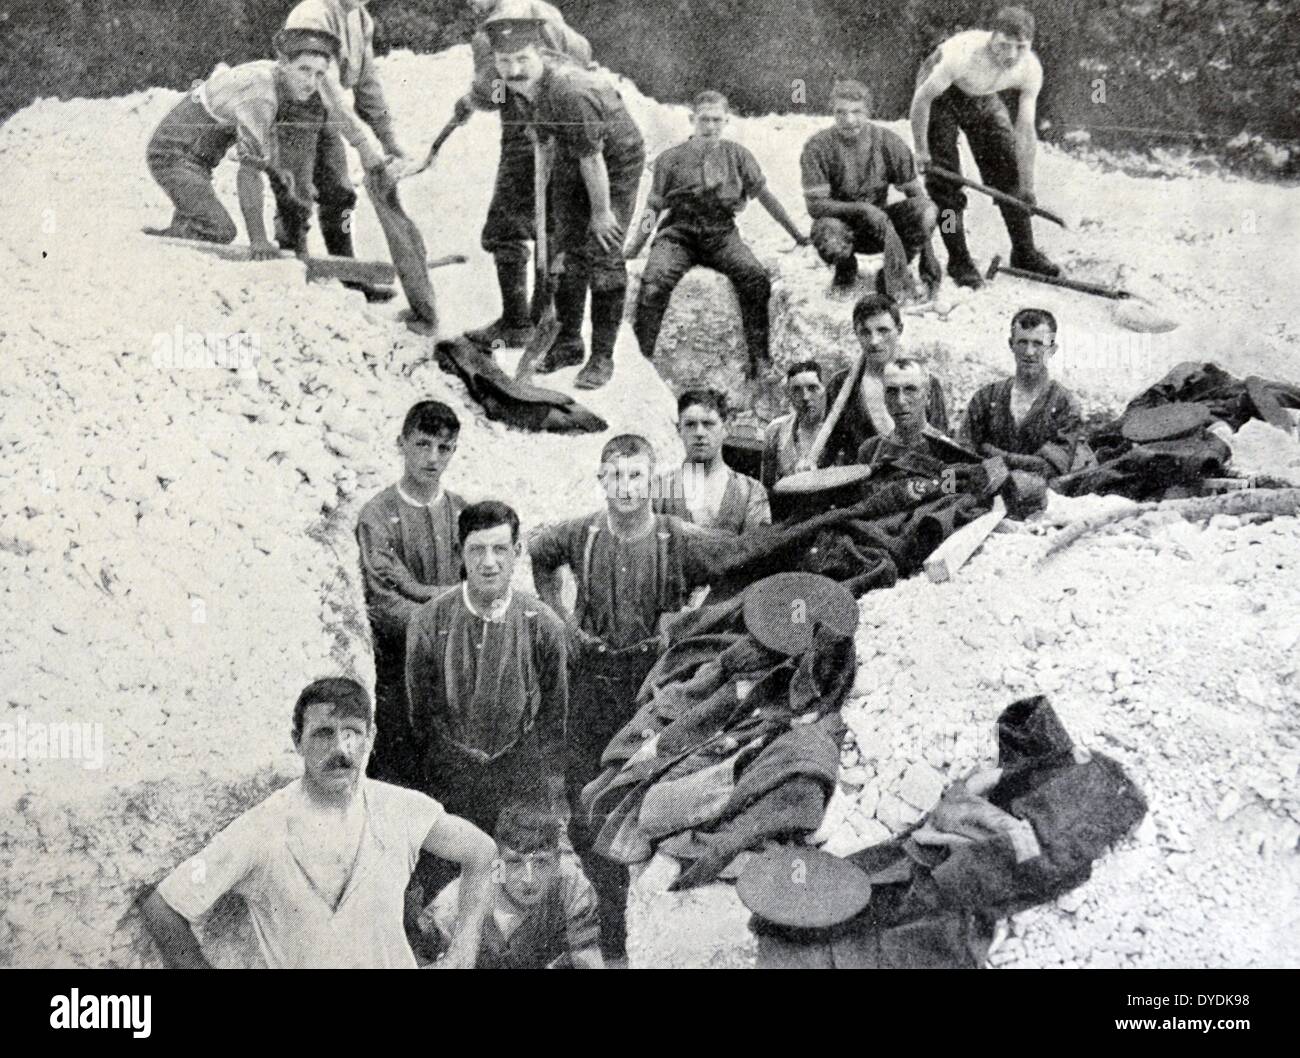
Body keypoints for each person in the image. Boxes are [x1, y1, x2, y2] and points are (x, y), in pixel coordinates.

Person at [139, 678, 496, 968]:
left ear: (370, 738)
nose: (340, 749)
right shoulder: (261, 830)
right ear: (298, 741)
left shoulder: (401, 811)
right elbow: (164, 906)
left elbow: (482, 853)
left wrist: (463, 953)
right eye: (323, 733)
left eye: (352, 732)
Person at [529, 434, 726, 961]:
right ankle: (605, 916)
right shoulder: (581, 532)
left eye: (635, 475)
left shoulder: (675, 536)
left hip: (651, 683)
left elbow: (729, 562)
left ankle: (641, 923)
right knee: (583, 801)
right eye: (614, 475)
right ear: (601, 479)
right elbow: (539, 555)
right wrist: (559, 618)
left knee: (640, 796)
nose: (625, 487)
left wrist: (688, 621)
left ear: (652, 479)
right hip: (591, 679)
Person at [487, 11, 646, 390]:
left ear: (539, 53)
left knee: (602, 249)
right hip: (571, 155)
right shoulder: (520, 84)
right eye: (505, 61)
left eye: (523, 59)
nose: (514, 69)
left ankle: (602, 356)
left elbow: (593, 158)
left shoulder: (569, 91)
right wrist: (547, 196)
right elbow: (545, 139)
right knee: (564, 247)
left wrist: (603, 212)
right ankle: (569, 342)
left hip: (614, 160)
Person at [405, 501, 568, 838]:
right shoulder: (428, 622)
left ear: (517, 551)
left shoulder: (543, 624)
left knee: (521, 871)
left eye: (500, 549)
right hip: (452, 773)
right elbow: (419, 714)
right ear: (459, 554)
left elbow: (555, 713)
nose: (489, 562)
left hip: (518, 769)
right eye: (477, 550)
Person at [626, 90, 808, 375]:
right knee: (654, 284)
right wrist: (634, 249)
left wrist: (797, 234)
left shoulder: (738, 156)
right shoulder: (670, 159)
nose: (710, 127)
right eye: (704, 120)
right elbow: (653, 208)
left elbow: (766, 198)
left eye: (717, 120)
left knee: (755, 277)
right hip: (678, 233)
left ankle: (759, 358)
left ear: (726, 121)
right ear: (691, 120)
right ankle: (639, 361)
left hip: (721, 233)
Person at [453, 0, 593, 350]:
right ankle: (542, 316)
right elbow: (582, 54)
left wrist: (473, 101)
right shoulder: (548, 13)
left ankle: (516, 323)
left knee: (505, 228)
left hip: (523, 137)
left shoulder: (491, 34)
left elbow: (495, 91)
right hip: (565, 132)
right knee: (550, 225)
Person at [143, 28, 338, 252]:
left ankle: (175, 234)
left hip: (195, 158)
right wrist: (259, 241)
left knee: (203, 222)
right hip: (173, 156)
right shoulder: (261, 94)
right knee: (218, 230)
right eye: (304, 70)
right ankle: (154, 247)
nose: (311, 82)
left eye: (319, 74)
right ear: (283, 64)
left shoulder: (274, 77)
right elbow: (249, 172)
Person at [356, 401, 467, 787]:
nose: (432, 458)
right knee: (401, 775)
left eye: (444, 448)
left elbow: (483, 589)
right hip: (401, 666)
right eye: (422, 444)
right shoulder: (378, 514)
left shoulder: (463, 514)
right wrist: (447, 613)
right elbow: (384, 602)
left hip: (457, 665)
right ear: (401, 443)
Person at [909, 5, 1059, 288]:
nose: (1011, 55)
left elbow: (1025, 130)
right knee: (945, 185)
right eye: (1004, 45)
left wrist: (1027, 186)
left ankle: (1024, 252)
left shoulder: (1030, 69)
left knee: (1009, 174)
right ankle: (958, 258)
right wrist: (921, 150)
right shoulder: (962, 54)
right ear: (992, 38)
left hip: (982, 96)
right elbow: (922, 100)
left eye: (1021, 47)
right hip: (941, 97)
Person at [274, 0, 406, 279]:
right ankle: (291, 266)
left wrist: (388, 139)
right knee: (298, 194)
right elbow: (326, 87)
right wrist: (363, 145)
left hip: (327, 114)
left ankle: (346, 268)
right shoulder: (312, 14)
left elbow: (367, 83)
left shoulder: (361, 19)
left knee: (340, 193)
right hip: (297, 109)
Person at [800, 79, 940, 299]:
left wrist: (928, 254)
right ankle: (845, 269)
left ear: (869, 111)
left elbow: (916, 194)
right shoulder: (817, 147)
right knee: (827, 232)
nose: (849, 120)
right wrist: (862, 209)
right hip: (843, 228)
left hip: (882, 229)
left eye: (857, 112)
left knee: (929, 210)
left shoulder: (888, 142)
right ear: (832, 112)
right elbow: (815, 206)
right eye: (841, 112)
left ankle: (892, 270)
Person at [419, 803, 603, 969]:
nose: (529, 879)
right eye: (515, 862)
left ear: (556, 863)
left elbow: (588, 960)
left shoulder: (571, 887)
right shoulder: (452, 906)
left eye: (541, 862)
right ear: (497, 864)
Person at [816, 293, 949, 468]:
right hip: (863, 488)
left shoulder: (926, 382)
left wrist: (950, 491)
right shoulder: (840, 385)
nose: (874, 341)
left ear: (899, 329)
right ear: (855, 333)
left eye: (883, 330)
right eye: (865, 332)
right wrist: (811, 465)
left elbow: (945, 456)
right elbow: (828, 451)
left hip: (920, 486)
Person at [960, 307, 1092, 479]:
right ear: (1011, 345)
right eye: (1022, 342)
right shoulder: (987, 397)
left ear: (1052, 349)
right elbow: (962, 451)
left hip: (1039, 499)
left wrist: (992, 452)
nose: (1029, 352)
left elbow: (1051, 467)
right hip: (984, 489)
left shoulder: (1064, 404)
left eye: (1038, 344)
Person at [652, 388, 771, 534]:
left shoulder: (750, 491)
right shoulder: (660, 489)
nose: (699, 433)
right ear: (679, 430)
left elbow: (756, 549)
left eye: (708, 424)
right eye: (690, 425)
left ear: (726, 428)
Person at [761, 360, 828, 490]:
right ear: (789, 395)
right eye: (797, 390)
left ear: (824, 390)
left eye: (813, 388)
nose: (805, 397)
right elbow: (767, 488)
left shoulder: (839, 429)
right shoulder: (776, 430)